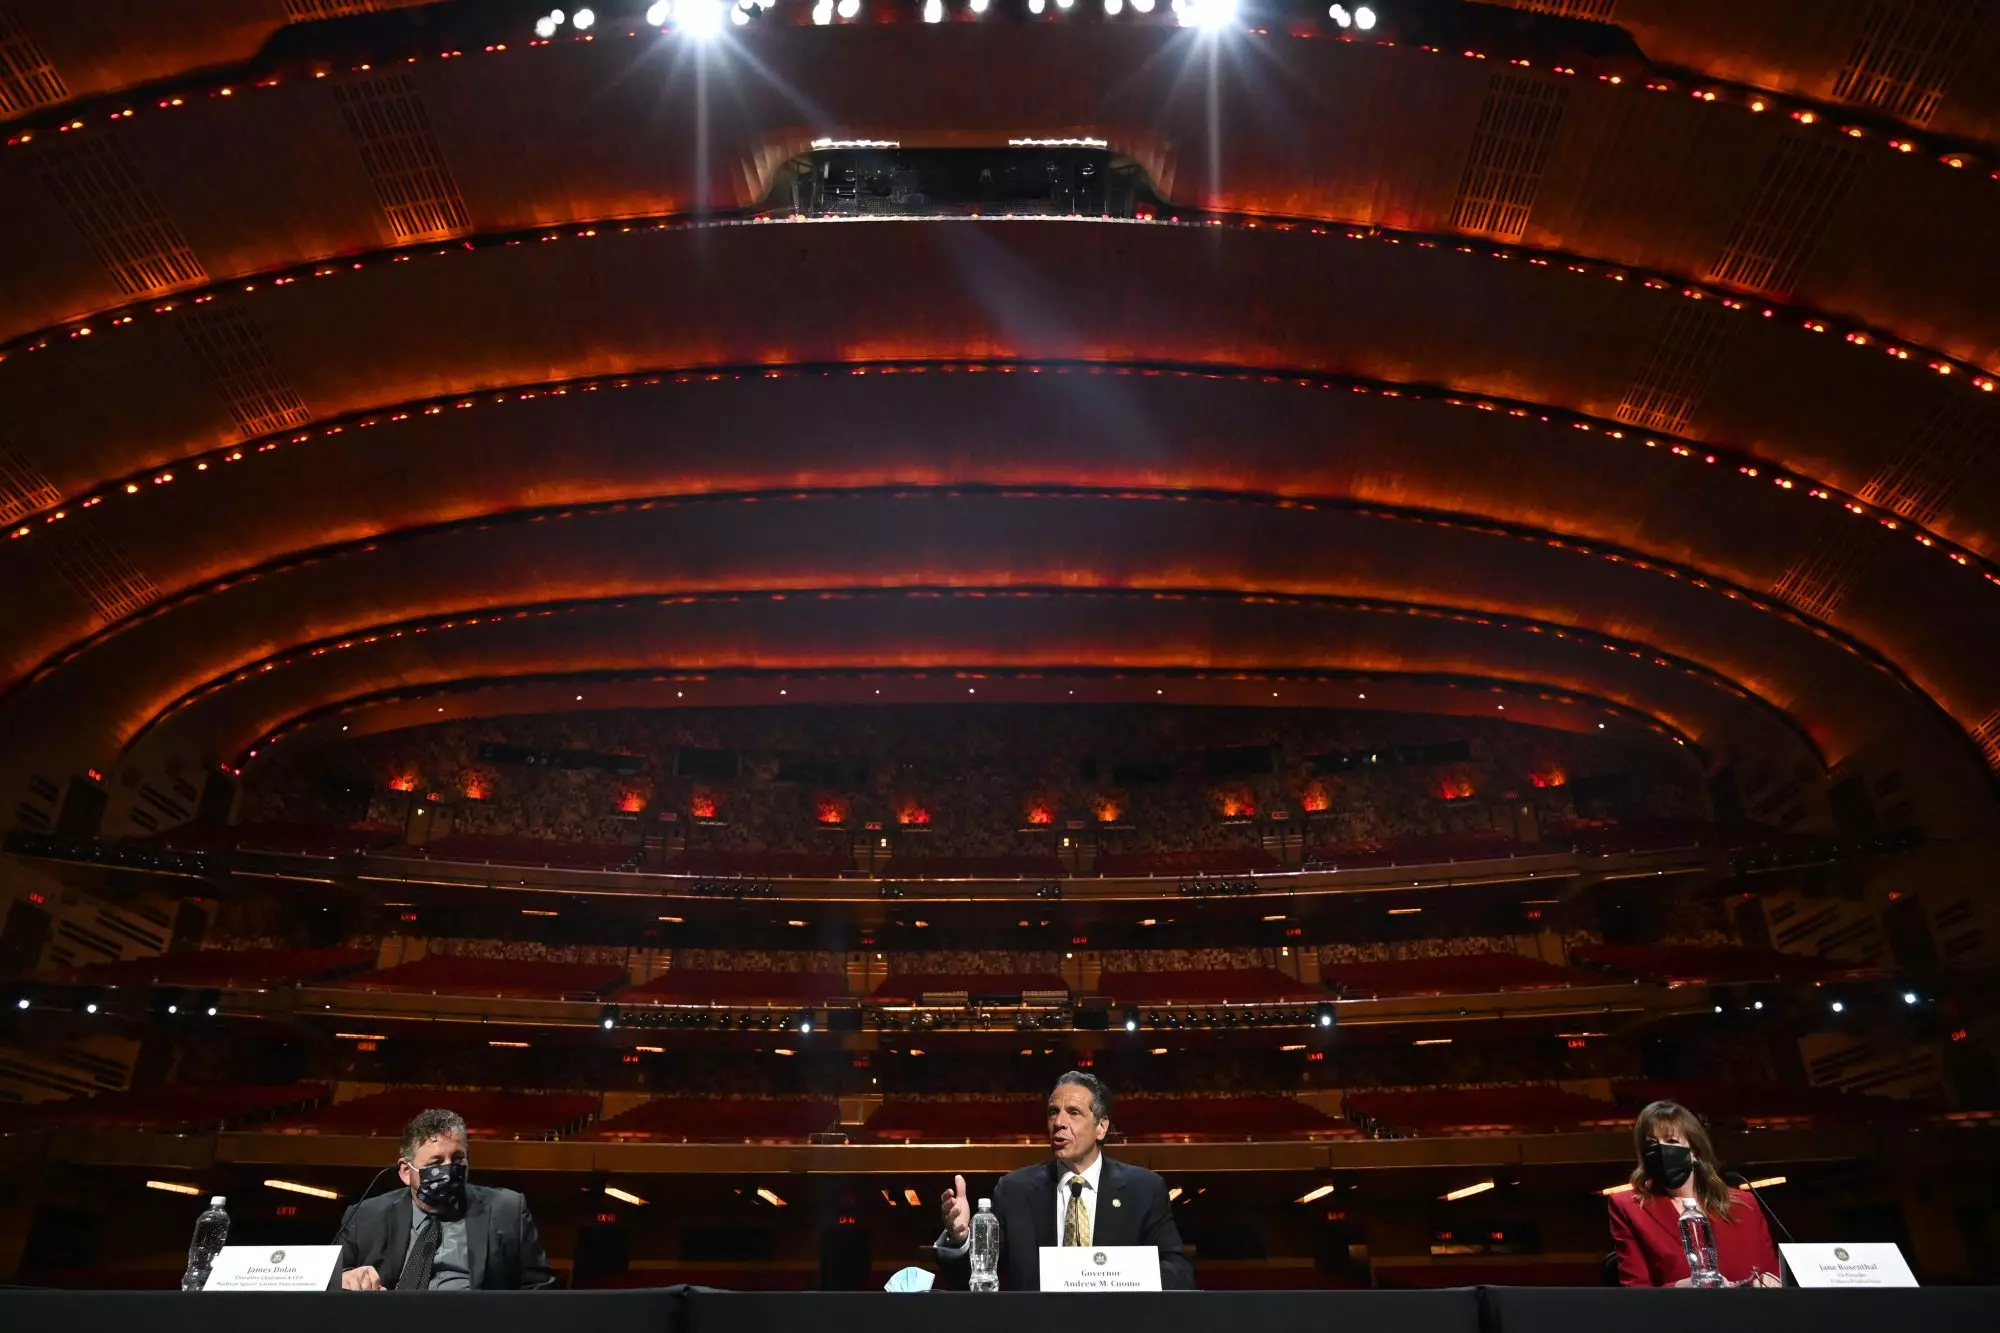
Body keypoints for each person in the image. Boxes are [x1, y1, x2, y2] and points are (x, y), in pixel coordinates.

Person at [934, 1071, 1194, 1290]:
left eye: (1073, 1113)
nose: (1059, 1122)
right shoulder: (1015, 1190)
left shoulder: (1144, 1190)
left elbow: (1179, 1273)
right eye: (1053, 1112)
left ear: (1101, 1127)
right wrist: (961, 1240)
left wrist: (1120, 1275)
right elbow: (974, 1280)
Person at [335, 1108, 555, 1291]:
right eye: (435, 1162)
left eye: (457, 1158)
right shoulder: (365, 1216)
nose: (448, 1169)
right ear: (405, 1171)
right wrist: (345, 1278)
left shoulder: (507, 1210)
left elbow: (539, 1291)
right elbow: (322, 1280)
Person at [1608, 1099, 1781, 1287]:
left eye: (1671, 1141)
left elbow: (1771, 1273)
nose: (1661, 1151)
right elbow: (1637, 1290)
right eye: (1651, 1144)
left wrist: (1769, 1282)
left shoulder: (1744, 1204)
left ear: (1695, 1152)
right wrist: (1679, 1289)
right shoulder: (1629, 1207)